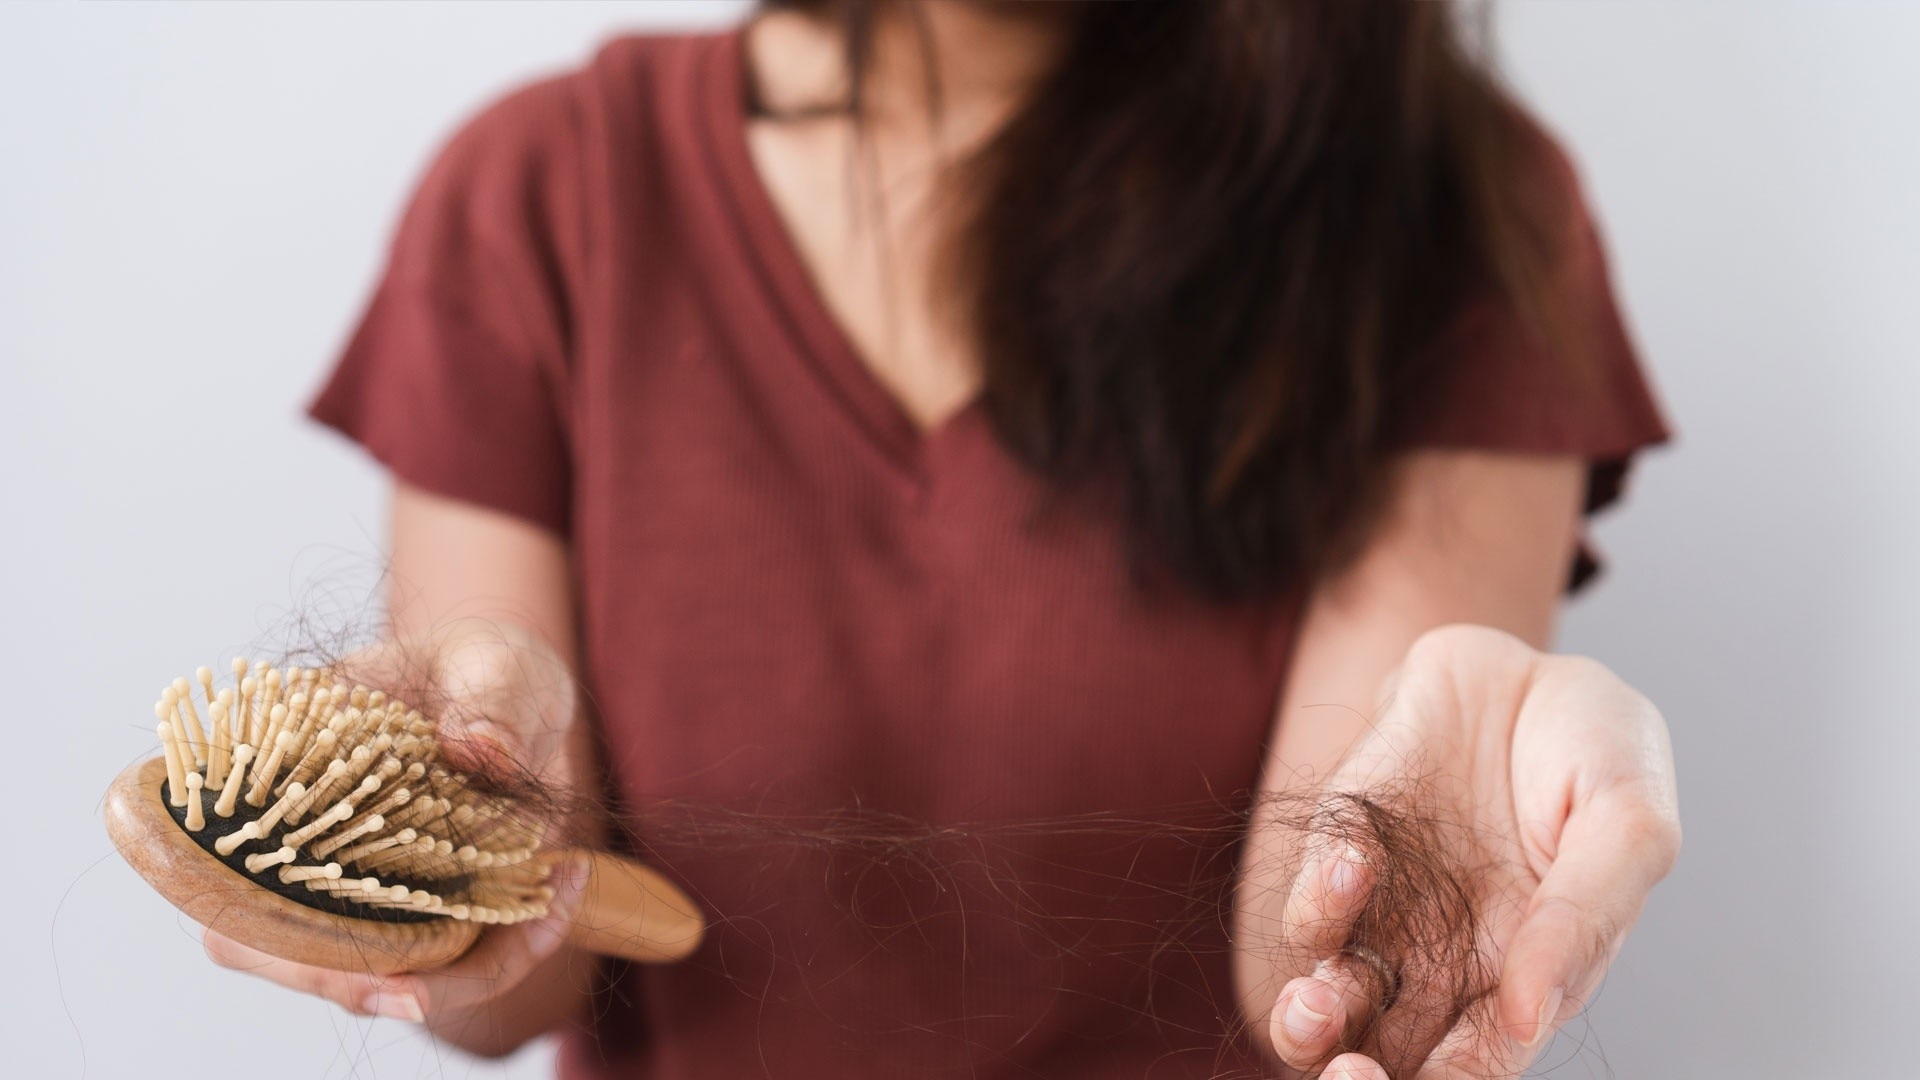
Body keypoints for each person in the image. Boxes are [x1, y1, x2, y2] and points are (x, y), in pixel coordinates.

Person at [200, 3, 1681, 1078]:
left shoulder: (1447, 212)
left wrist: (1428, 878)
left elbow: (1311, 982)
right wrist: (413, 876)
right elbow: (519, 983)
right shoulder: (543, 194)